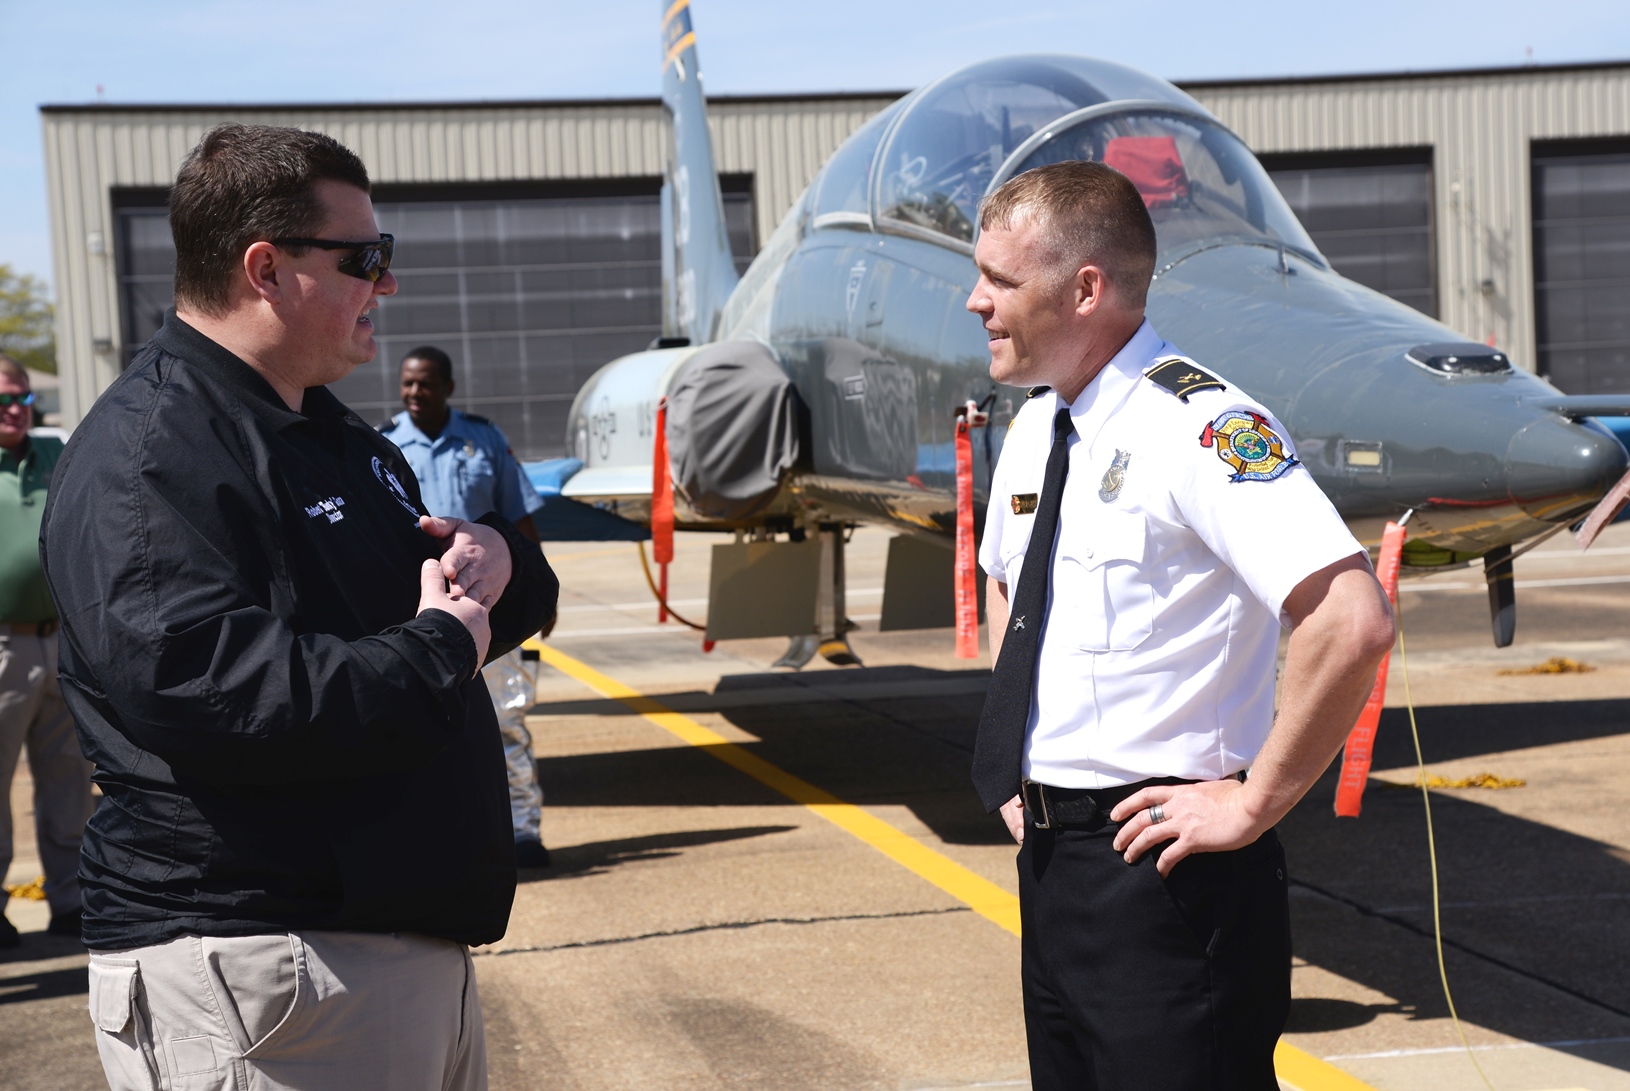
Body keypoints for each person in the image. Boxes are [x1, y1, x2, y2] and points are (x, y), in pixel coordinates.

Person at [41, 124, 557, 1091]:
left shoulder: (330, 433)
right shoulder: (153, 454)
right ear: (266, 270)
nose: (387, 284)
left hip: (375, 957)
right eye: (365, 258)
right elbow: (212, 691)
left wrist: (500, 564)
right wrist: (439, 647)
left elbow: (445, 593)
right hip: (263, 972)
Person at [968, 161, 1395, 1089]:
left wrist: (1255, 800)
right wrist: (1018, 753)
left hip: (1167, 879)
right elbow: (1008, 585)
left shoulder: (1200, 428)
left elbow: (1351, 617)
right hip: (1052, 868)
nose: (976, 301)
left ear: (1086, 289)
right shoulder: (1039, 429)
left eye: (1000, 280)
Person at [381, 346, 552, 868]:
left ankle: (523, 830)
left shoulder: (484, 440)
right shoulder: (381, 445)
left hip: (490, 604)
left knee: (508, 721)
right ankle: (440, 840)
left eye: (426, 384)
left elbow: (519, 520)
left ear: (448, 387)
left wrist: (538, 592)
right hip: (420, 613)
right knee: (418, 728)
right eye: (408, 384)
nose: (414, 393)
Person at [0, 354, 92, 947]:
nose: (14, 409)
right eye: (4, 399)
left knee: (69, 780)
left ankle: (70, 899)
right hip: (2, 645)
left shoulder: (57, 455)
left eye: (23, 398)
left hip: (61, 640)